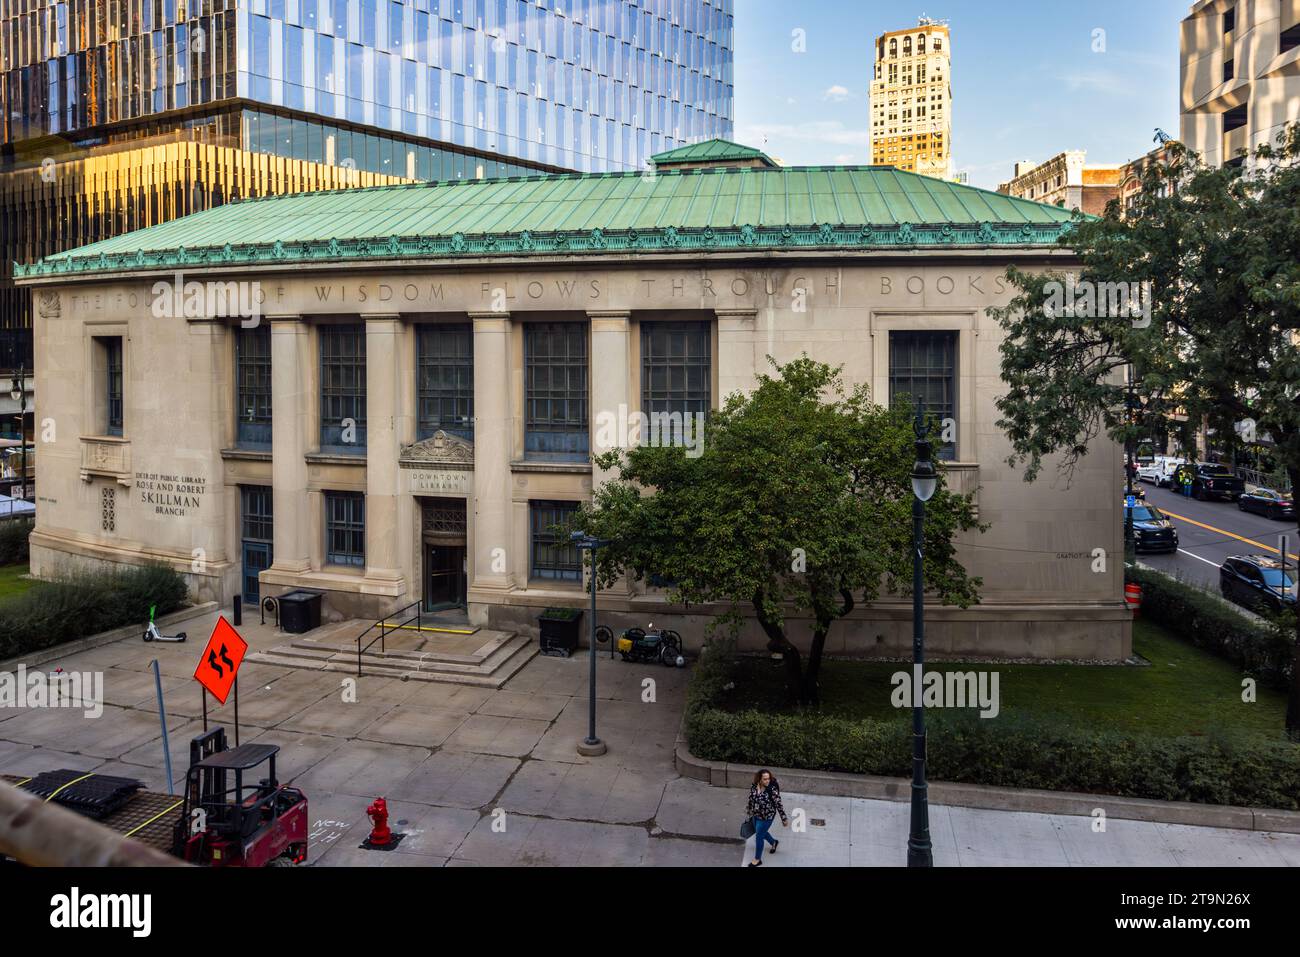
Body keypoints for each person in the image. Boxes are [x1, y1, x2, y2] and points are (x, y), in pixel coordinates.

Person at [746, 768, 788, 866]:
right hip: (755, 815)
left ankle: (757, 859)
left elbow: (779, 804)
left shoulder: (771, 789)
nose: (767, 781)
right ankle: (774, 842)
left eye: (768, 778)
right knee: (760, 832)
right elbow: (750, 799)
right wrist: (749, 811)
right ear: (759, 779)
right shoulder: (753, 786)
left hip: (766, 817)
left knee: (759, 837)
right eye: (765, 779)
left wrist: (784, 818)